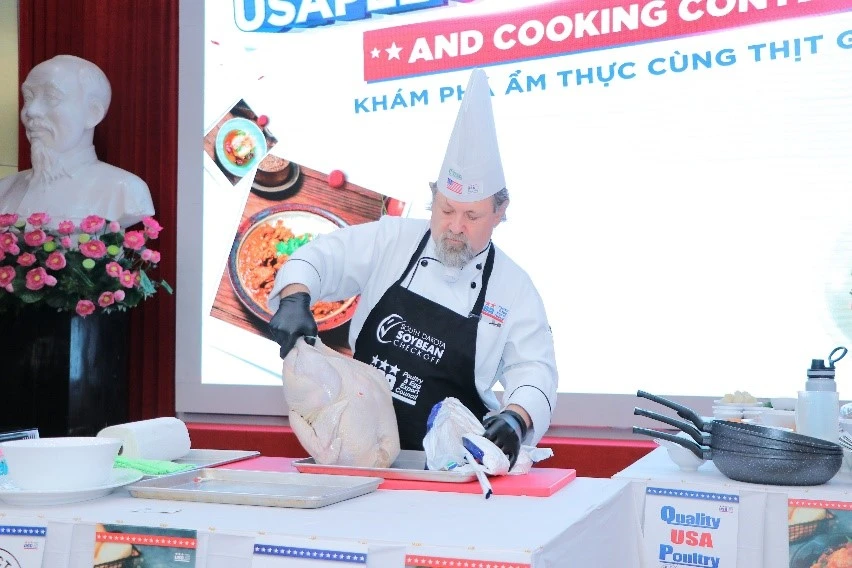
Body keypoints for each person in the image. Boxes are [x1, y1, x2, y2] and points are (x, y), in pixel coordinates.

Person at [268, 69, 558, 468]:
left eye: (472, 215)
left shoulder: (515, 289)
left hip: (447, 470)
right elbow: (321, 256)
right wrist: (295, 295)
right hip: (358, 454)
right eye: (446, 210)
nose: (455, 227)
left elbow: (534, 371)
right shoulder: (393, 240)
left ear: (499, 212)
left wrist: (516, 417)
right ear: (432, 199)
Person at [0, 54, 154, 228]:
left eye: (51, 97)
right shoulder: (5, 189)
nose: (31, 111)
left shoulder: (124, 190)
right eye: (28, 98)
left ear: (92, 113)